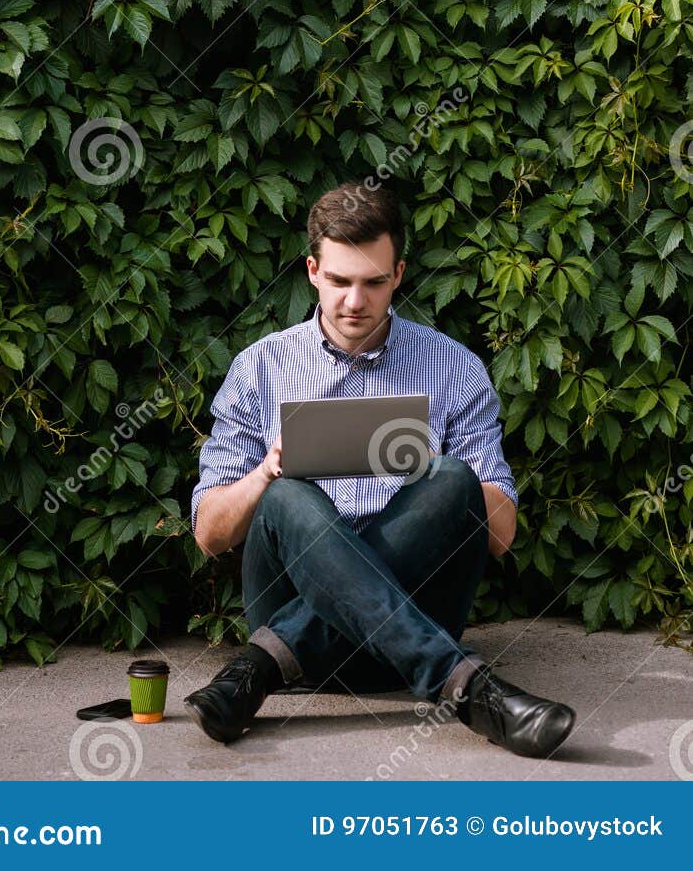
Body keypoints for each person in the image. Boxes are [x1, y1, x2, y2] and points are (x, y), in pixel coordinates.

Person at [184, 182, 575, 758]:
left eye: (372, 282)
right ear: (312, 271)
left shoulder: (452, 367)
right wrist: (267, 470)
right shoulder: (260, 368)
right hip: (315, 638)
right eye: (339, 281)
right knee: (287, 494)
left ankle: (254, 670)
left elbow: (500, 538)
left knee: (450, 480)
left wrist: (452, 474)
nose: (354, 301)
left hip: (332, 641)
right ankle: (470, 690)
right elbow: (210, 534)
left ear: (399, 275)